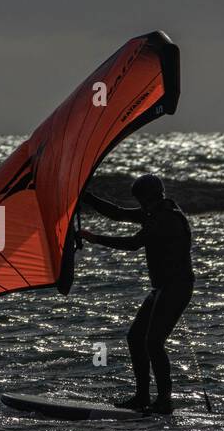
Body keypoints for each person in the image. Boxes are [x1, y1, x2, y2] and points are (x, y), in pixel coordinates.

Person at [80, 174, 195, 414]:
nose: (140, 205)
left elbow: (133, 244)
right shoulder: (154, 212)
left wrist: (95, 238)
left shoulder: (167, 219)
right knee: (135, 338)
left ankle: (164, 401)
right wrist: (86, 197)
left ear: (151, 197)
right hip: (161, 288)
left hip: (176, 287)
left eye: (142, 200)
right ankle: (142, 397)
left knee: (153, 342)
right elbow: (119, 213)